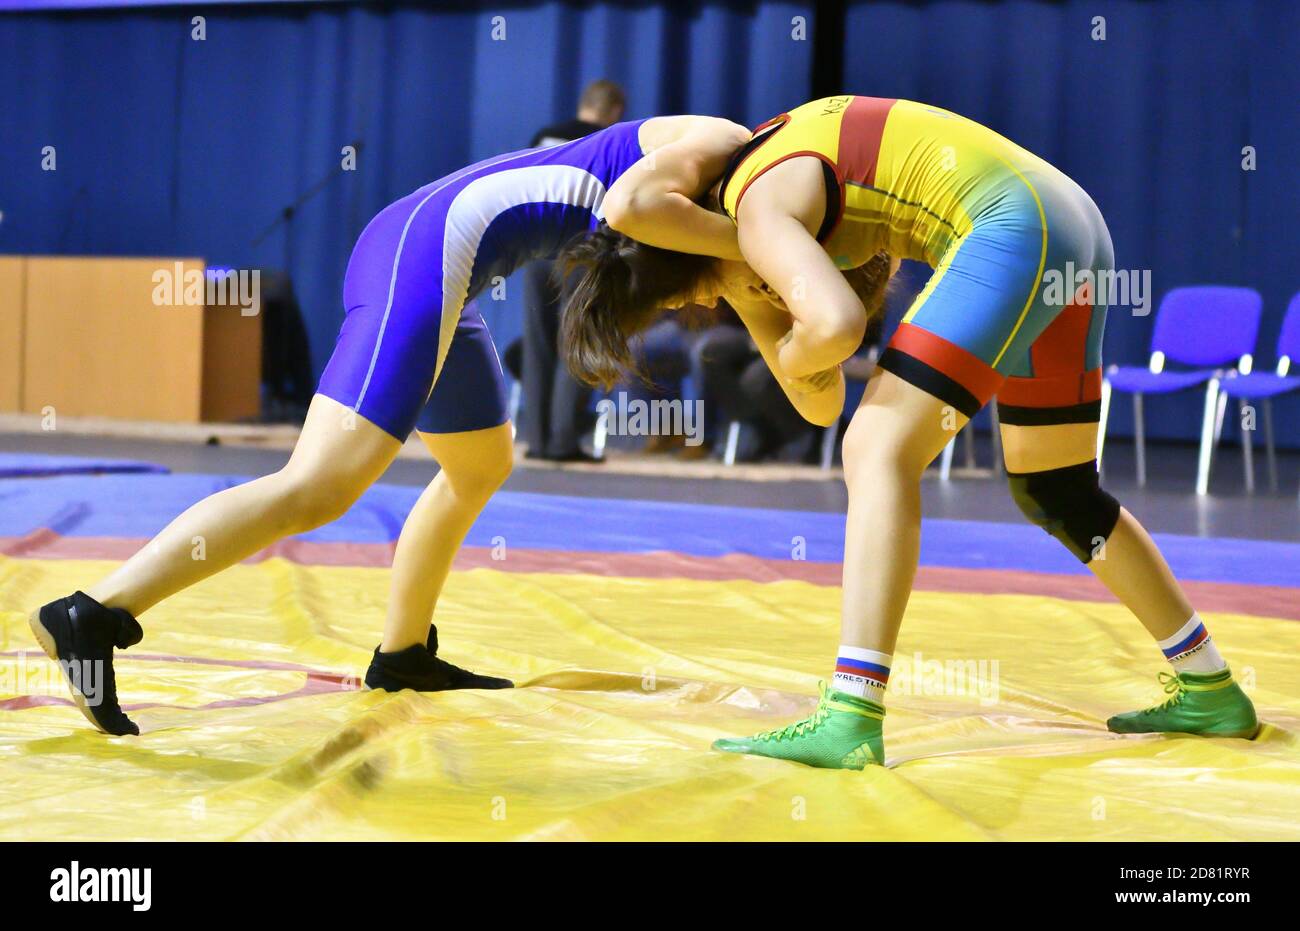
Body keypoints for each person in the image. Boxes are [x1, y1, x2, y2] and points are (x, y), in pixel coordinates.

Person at [561, 95, 1259, 769]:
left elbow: (836, 328)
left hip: (1014, 225)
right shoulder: (758, 223)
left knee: (876, 448)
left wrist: (794, 342)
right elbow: (818, 404)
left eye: (690, 293)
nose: (707, 302)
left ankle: (851, 714)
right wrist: (781, 332)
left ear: (686, 248)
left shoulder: (757, 212)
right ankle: (1209, 685)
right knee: (1058, 489)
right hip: (1072, 226)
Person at [28, 111, 770, 736]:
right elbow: (633, 210)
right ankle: (92, 613)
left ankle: (403, 652)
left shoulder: (730, 176)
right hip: (422, 255)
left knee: (481, 465)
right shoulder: (726, 152)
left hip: (446, 264)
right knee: (318, 484)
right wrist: (766, 268)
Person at [521, 80, 626, 462]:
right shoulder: (612, 142)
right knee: (576, 343)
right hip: (582, 255)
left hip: (536, 254)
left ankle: (536, 440)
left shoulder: (544, 136)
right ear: (613, 110)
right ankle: (563, 441)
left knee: (538, 346)